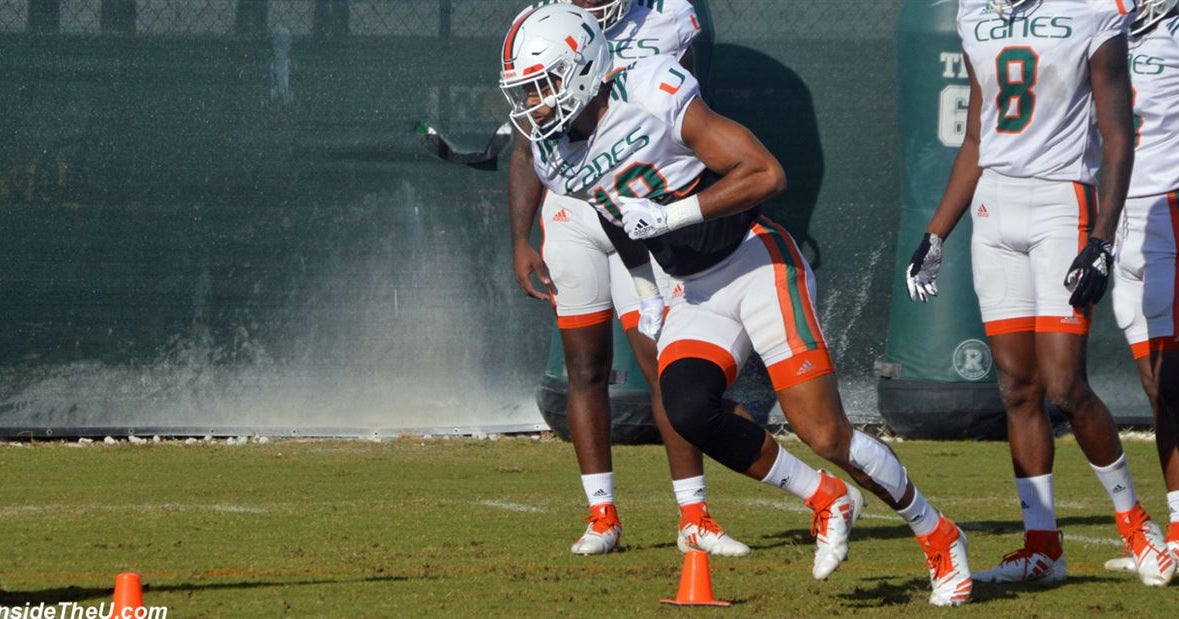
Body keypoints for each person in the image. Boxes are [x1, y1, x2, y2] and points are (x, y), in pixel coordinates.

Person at [500, 4, 971, 605]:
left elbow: (766, 173)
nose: (533, 105)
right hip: (693, 290)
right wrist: (644, 290)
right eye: (524, 91)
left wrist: (673, 215)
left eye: (542, 86)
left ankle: (939, 534)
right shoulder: (554, 154)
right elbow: (617, 213)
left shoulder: (650, 88)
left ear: (585, 69)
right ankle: (825, 497)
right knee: (688, 409)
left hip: (755, 262)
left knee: (825, 433)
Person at [905, 0, 1175, 586]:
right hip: (993, 208)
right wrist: (936, 233)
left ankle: (1137, 527)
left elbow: (1117, 134)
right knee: (1016, 387)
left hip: (1062, 201)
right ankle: (1042, 547)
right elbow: (976, 137)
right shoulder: (974, 13)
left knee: (1065, 384)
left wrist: (1102, 235)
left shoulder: (1092, 10)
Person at [507, 0, 766, 558]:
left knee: (662, 365)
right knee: (584, 367)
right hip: (575, 209)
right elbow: (527, 145)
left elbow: (690, 117)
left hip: (646, 208)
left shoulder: (669, 16)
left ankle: (694, 515)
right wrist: (520, 237)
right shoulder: (543, 25)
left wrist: (678, 211)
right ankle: (602, 515)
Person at [1102, 0, 1179, 575]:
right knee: (1155, 387)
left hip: (1168, 215)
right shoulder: (1101, 30)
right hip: (1119, 221)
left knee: (1172, 381)